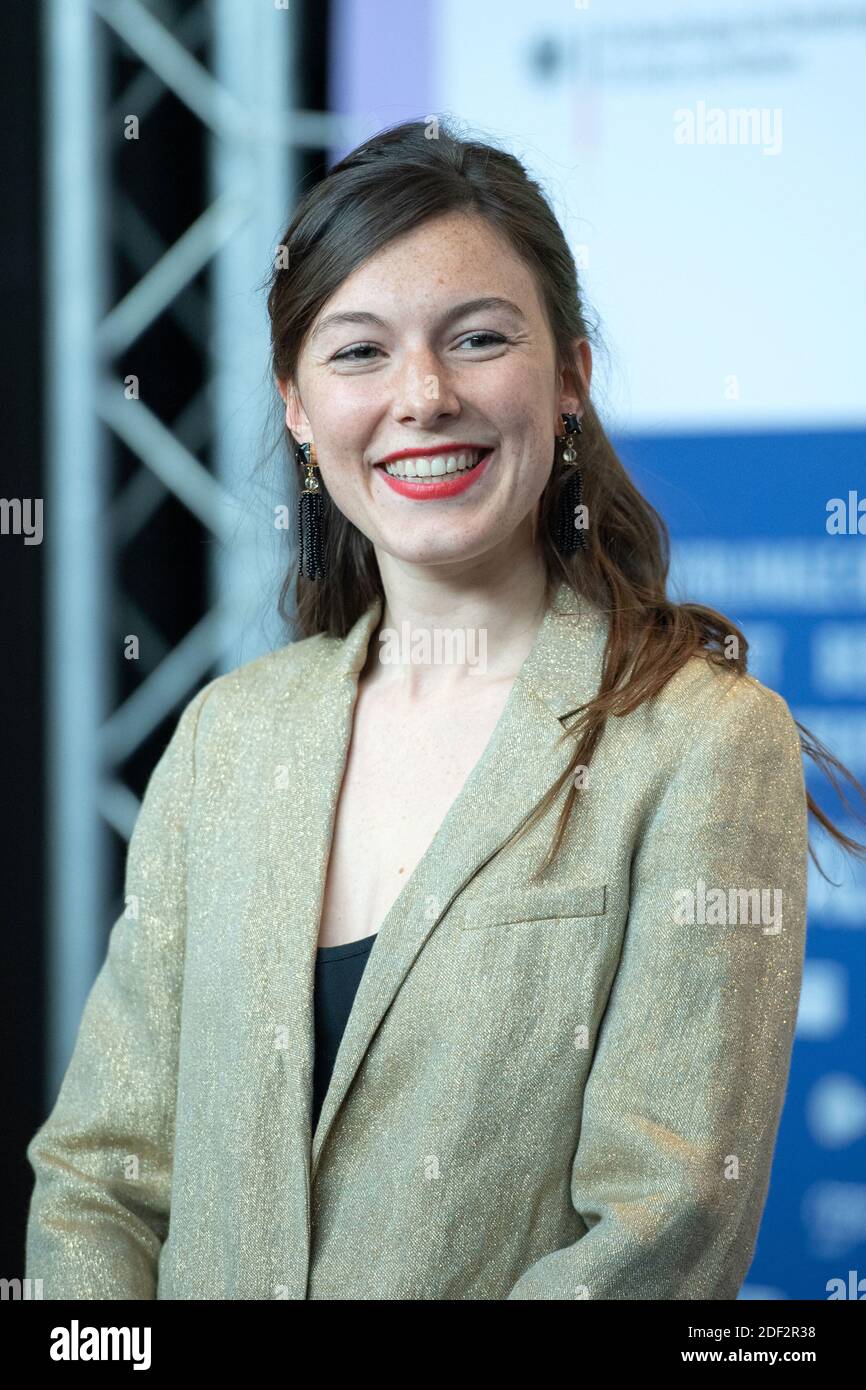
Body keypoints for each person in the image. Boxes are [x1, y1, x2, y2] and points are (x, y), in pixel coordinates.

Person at [25, 118, 866, 1300]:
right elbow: (102, 1176)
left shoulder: (700, 740)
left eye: (476, 339)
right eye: (358, 353)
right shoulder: (228, 738)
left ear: (568, 378)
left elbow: (658, 1229)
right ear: (298, 409)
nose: (422, 397)